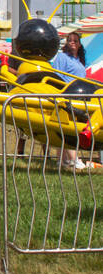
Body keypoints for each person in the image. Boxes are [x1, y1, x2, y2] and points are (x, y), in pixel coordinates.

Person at [52, 30, 88, 171]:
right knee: (69, 128)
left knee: (67, 128)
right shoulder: (62, 57)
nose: (72, 42)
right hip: (66, 97)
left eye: (75, 40)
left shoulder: (79, 61)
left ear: (79, 45)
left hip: (78, 97)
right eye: (69, 40)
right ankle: (73, 159)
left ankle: (62, 160)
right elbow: (56, 76)